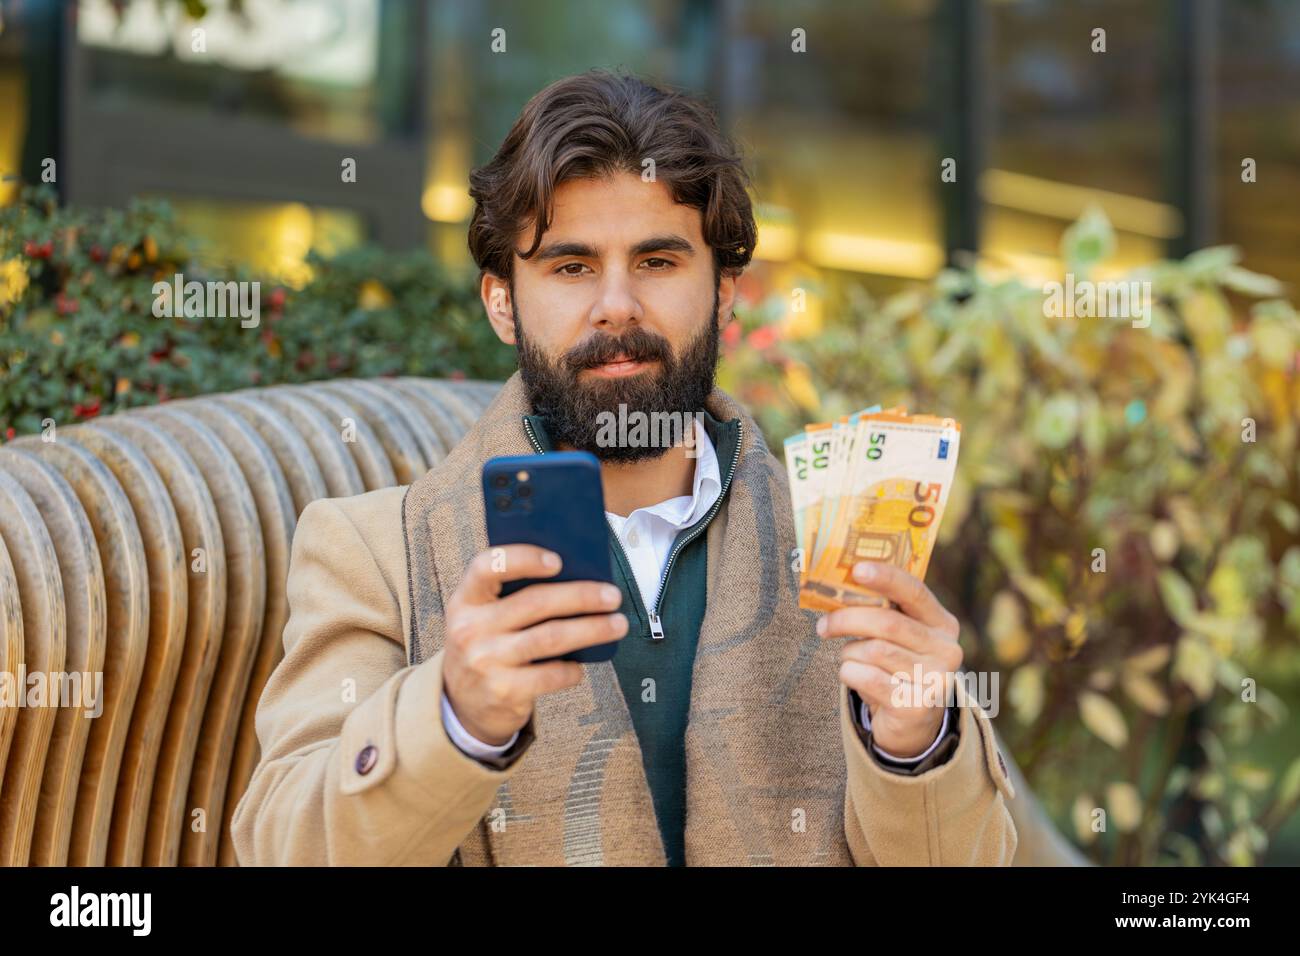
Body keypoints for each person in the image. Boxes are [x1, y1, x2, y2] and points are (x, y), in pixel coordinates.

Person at [230, 70, 1017, 866]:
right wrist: (453, 714)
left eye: (658, 262)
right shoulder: (370, 554)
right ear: (502, 303)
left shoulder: (844, 537)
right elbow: (286, 846)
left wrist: (915, 744)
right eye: (571, 267)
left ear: (723, 295)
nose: (617, 306)